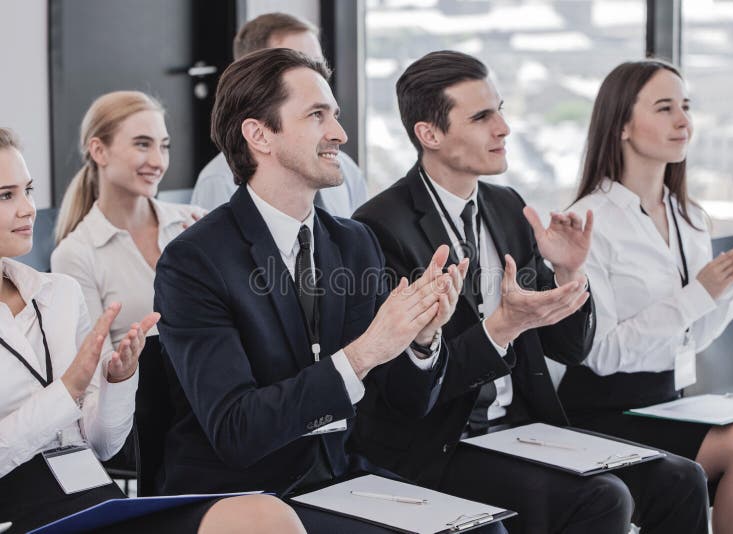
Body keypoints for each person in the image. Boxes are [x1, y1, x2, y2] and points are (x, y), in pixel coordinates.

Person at [352, 50, 710, 534]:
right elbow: (405, 391)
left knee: (682, 478)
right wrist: (500, 329)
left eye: (500, 109)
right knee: (602, 499)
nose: (504, 128)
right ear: (429, 134)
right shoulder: (379, 226)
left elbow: (570, 348)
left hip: (521, 429)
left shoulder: (506, 206)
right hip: (439, 440)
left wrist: (566, 274)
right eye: (482, 116)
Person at [153, 48, 502, 534]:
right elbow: (237, 430)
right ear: (259, 135)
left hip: (339, 476)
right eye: (317, 115)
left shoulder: (353, 241)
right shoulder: (193, 261)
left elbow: (406, 403)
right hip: (244, 492)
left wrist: (421, 339)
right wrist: (363, 353)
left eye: (334, 115)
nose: (339, 133)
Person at [0, 128, 305, 533]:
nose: (28, 208)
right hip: (19, 512)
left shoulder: (58, 294)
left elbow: (104, 444)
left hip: (97, 498)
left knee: (267, 516)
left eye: (29, 190)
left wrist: (118, 379)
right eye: (6, 195)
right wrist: (69, 389)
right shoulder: (75, 260)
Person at [557, 60, 733, 534]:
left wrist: (730, 288)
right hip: (603, 409)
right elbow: (601, 353)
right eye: (665, 108)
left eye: (686, 107)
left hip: (667, 399)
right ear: (622, 125)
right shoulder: (587, 223)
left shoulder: (687, 215)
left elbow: (689, 339)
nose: (684, 121)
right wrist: (700, 292)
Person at [51, 91, 204, 363]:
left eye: (164, 146)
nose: (159, 162)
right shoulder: (75, 255)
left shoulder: (194, 223)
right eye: (143, 145)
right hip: (142, 401)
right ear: (99, 150)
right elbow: (98, 373)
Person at [191, 12, 367, 216]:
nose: (312, 73)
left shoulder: (345, 170)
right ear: (252, 73)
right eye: (292, 61)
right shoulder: (219, 181)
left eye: (317, 63)